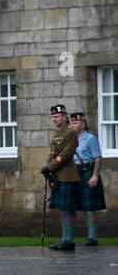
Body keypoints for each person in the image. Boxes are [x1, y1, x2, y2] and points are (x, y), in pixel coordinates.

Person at [43, 103, 81, 251]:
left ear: (65, 117)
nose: (54, 119)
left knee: (68, 208)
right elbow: (53, 153)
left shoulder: (70, 132)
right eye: (52, 116)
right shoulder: (58, 132)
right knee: (62, 209)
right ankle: (64, 238)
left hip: (68, 176)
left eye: (57, 116)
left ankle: (69, 239)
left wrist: (50, 166)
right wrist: (47, 166)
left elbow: (65, 154)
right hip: (59, 175)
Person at [70, 112, 104, 246]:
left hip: (88, 172)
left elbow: (97, 157)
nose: (73, 125)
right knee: (74, 206)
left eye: (76, 123)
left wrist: (95, 175)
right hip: (74, 174)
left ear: (83, 125)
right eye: (72, 123)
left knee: (89, 207)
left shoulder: (90, 139)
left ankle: (92, 237)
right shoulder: (70, 139)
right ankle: (71, 238)